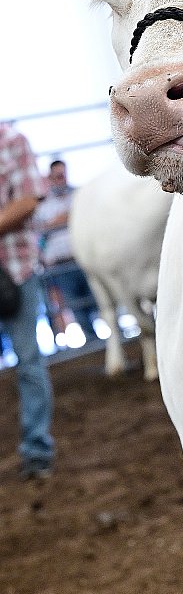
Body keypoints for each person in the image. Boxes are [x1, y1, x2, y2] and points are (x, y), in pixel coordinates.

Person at [0, 121, 55, 479]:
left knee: (29, 361)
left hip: (15, 268)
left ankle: (36, 451)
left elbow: (29, 200)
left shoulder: (11, 141)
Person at [35, 158, 98, 342]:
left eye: (62, 175)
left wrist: (56, 221)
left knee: (98, 301)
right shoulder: (44, 202)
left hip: (84, 259)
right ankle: (92, 344)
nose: (60, 179)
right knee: (75, 306)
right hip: (60, 266)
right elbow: (40, 230)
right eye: (56, 176)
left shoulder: (79, 194)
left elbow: (86, 217)